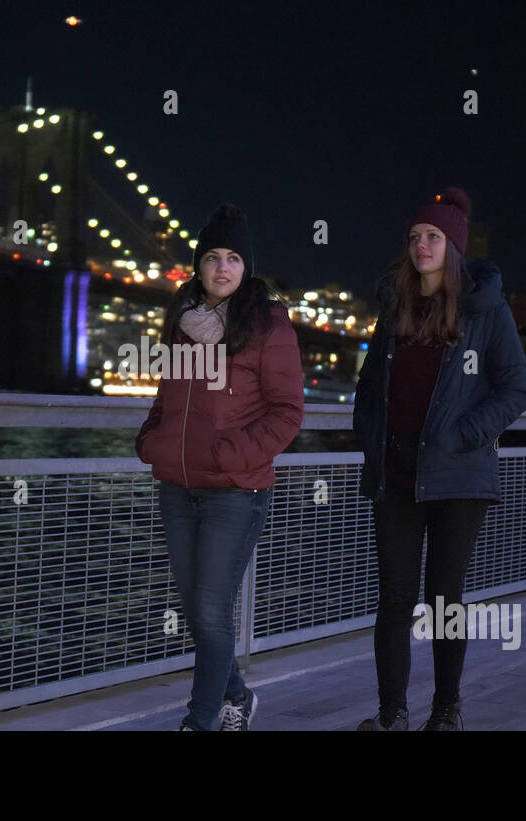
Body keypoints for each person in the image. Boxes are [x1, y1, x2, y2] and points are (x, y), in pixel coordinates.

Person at [352, 187, 526, 731]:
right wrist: (371, 439)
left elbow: (516, 388)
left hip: (458, 477)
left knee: (444, 598)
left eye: (432, 237)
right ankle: (391, 715)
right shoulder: (395, 306)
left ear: (453, 247)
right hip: (397, 476)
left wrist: (463, 435)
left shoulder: (485, 311)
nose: (421, 246)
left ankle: (446, 711)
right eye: (414, 237)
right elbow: (370, 387)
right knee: (395, 598)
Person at [135, 203, 304, 731]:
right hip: (177, 487)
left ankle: (200, 720)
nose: (222, 267)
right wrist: (152, 441)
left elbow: (288, 413)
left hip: (235, 491)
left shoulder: (269, 326)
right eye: (212, 257)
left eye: (233, 258)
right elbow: (167, 399)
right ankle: (237, 694)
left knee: (211, 612)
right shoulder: (181, 322)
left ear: (246, 267)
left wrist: (228, 456)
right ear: (199, 266)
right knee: (197, 613)